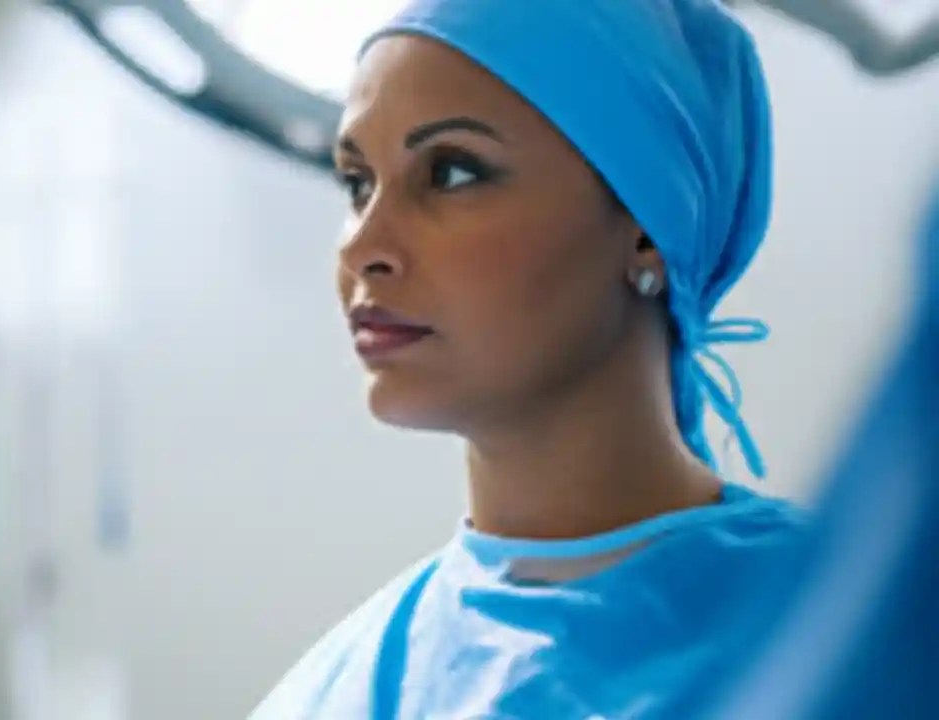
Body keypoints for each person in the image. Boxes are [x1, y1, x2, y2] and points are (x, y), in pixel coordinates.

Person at [248, 1, 807, 718]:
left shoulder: (845, 634)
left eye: (450, 174)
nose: (364, 247)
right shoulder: (332, 693)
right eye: (358, 184)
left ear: (647, 226)